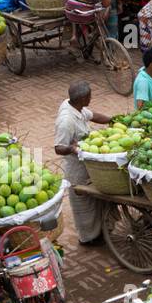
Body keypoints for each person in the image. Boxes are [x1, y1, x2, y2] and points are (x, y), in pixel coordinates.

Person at [54, 82, 113, 245]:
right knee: (83, 205)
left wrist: (113, 120)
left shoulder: (74, 105)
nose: (91, 98)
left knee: (95, 200)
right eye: (89, 96)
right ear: (81, 98)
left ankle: (100, 232)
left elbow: (92, 115)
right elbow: (58, 148)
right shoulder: (66, 121)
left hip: (88, 163)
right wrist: (73, 149)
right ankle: (87, 238)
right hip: (76, 168)